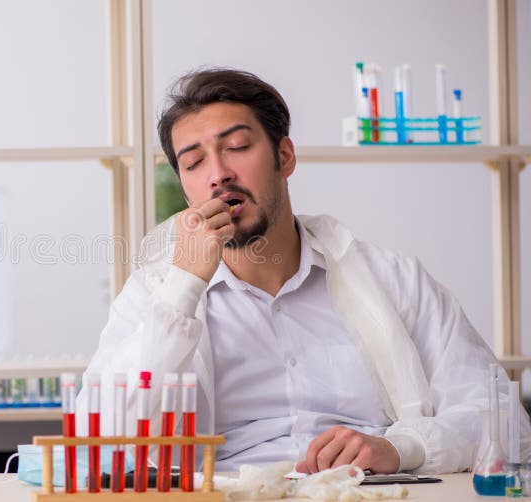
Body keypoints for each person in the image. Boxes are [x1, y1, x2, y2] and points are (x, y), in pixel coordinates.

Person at [76, 68, 530, 474]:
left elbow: (506, 422)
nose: (218, 174)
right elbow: (94, 443)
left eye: (236, 147)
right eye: (194, 163)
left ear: (285, 157)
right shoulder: (155, 294)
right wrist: (184, 287)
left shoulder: (394, 279)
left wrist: (403, 447)